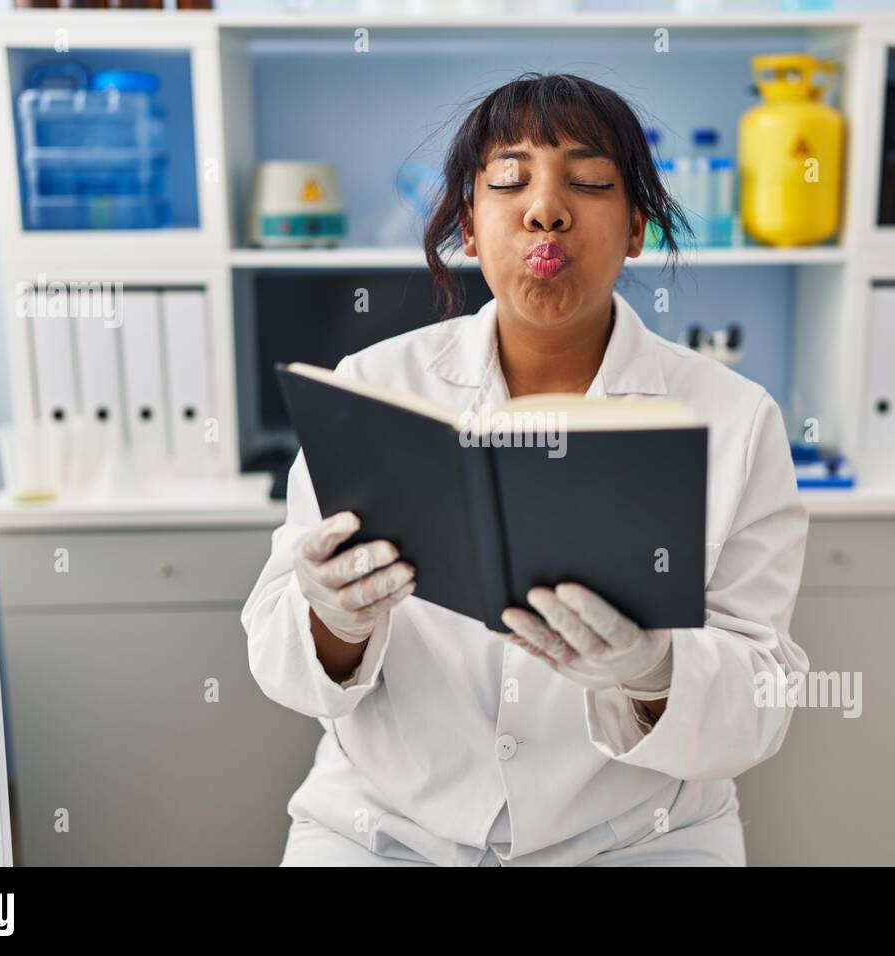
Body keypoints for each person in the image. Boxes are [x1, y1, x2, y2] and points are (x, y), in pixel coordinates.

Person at [241, 73, 809, 866]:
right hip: (383, 832)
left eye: (589, 181)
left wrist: (653, 671)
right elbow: (277, 657)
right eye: (508, 180)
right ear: (468, 228)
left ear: (638, 226)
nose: (546, 208)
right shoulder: (371, 388)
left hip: (639, 839)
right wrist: (335, 620)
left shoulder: (735, 419)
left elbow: (766, 693)